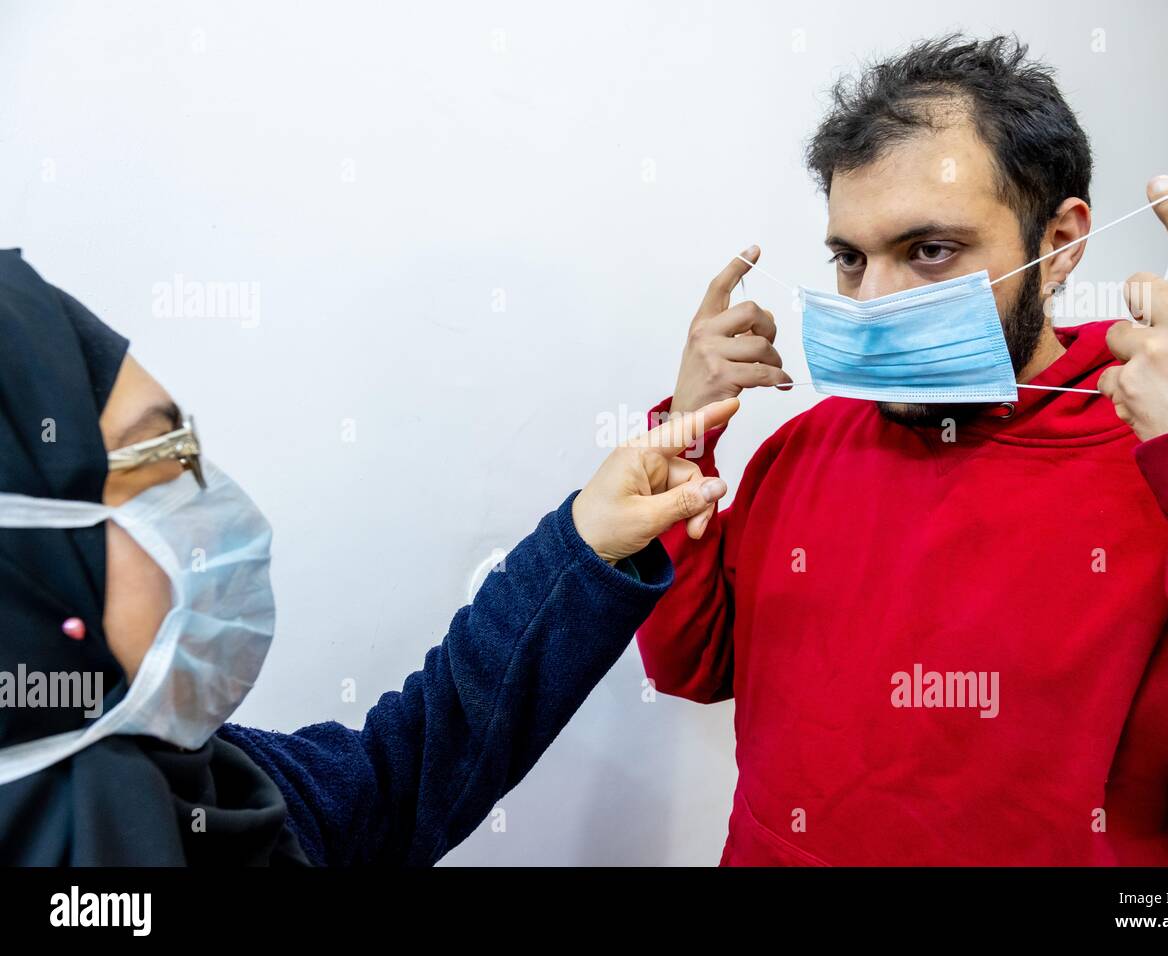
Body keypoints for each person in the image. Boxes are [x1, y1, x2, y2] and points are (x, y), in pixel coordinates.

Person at [637, 34, 1168, 865]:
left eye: (929, 251)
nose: (873, 302)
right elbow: (689, 663)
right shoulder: (805, 448)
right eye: (850, 259)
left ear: (1061, 242)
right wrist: (685, 440)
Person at [0, 247, 738, 865]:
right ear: (26, 573)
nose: (209, 509)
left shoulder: (200, 783)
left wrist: (582, 545)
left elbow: (396, 779)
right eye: (152, 466)